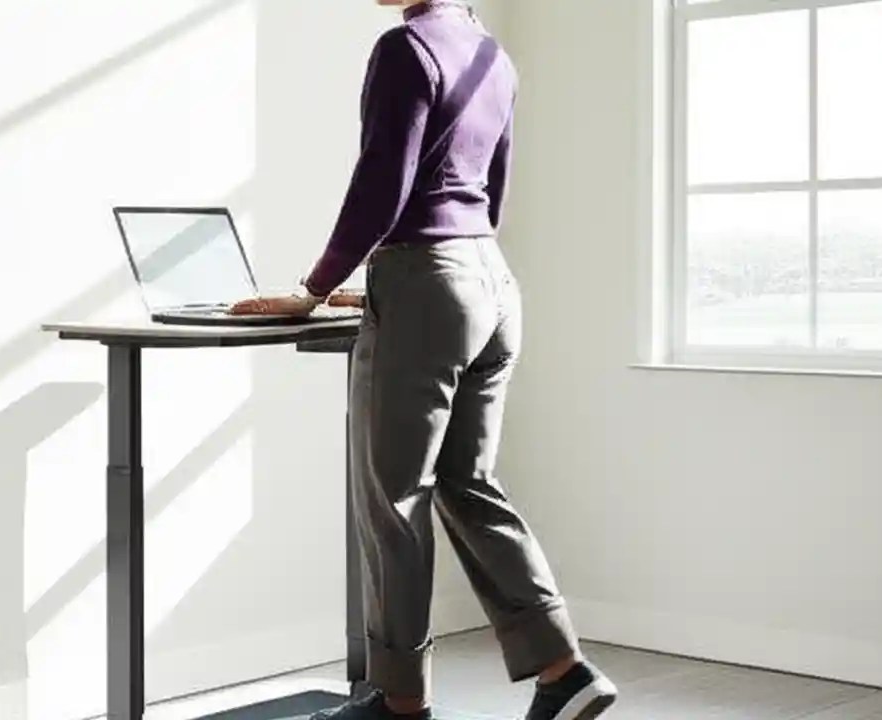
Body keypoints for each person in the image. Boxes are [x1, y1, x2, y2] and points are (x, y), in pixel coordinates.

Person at [231, 1, 618, 718]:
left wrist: (312, 290)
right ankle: (565, 668)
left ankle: (399, 703)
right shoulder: (491, 55)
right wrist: (411, 277)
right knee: (467, 482)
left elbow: (383, 181)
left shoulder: (406, 47)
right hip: (490, 282)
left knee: (393, 499)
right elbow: (490, 192)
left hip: (426, 282)